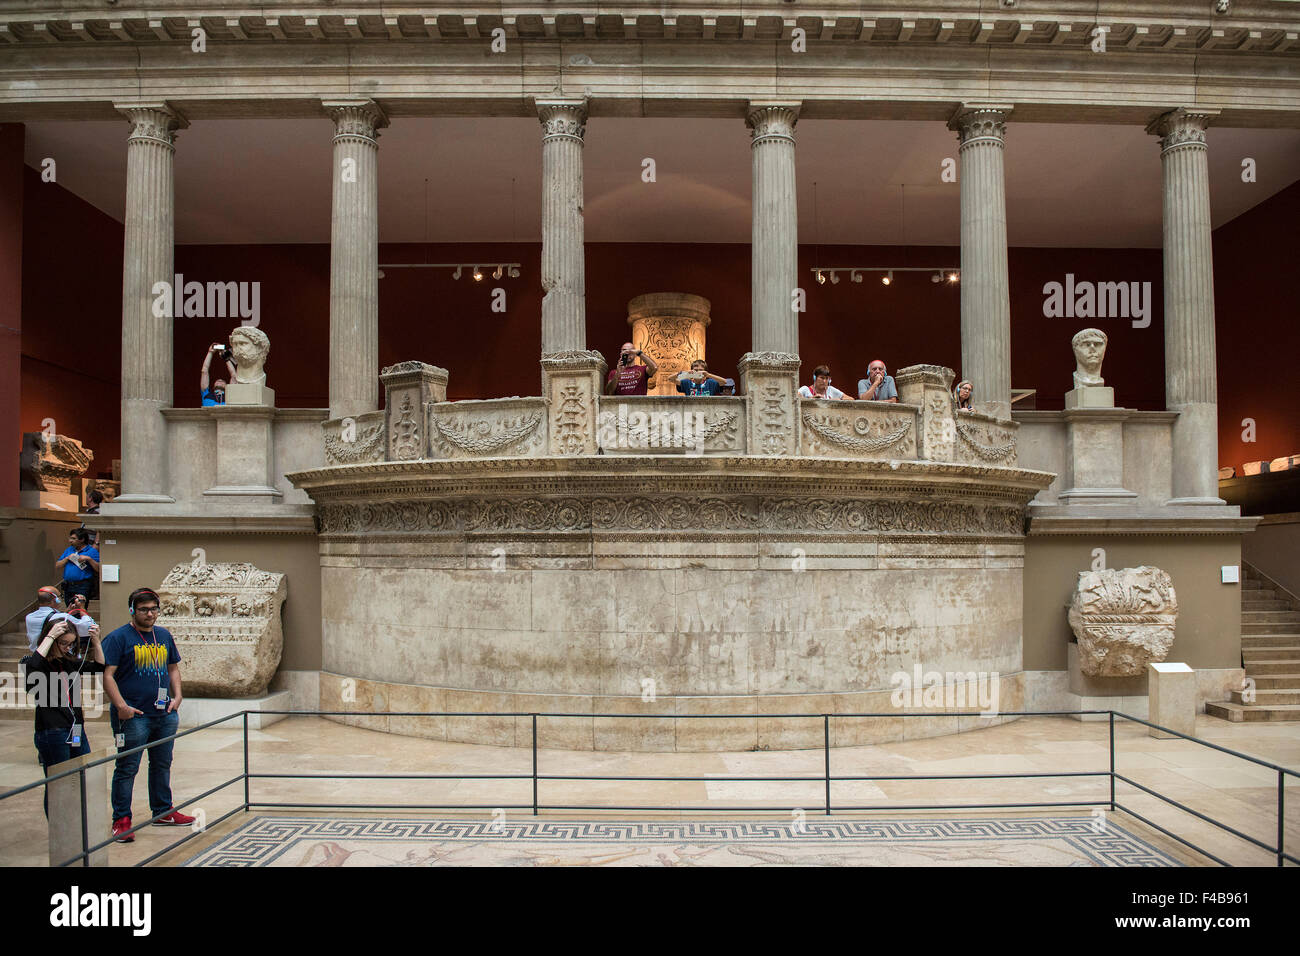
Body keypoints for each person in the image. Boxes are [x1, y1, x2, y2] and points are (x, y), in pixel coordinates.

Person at [101, 587, 194, 842]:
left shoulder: (163, 635)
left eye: (153, 609)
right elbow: (107, 675)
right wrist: (121, 706)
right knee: (128, 766)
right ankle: (121, 820)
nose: (150, 614)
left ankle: (163, 810)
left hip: (164, 713)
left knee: (162, 763)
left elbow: (172, 668)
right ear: (132, 610)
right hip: (134, 715)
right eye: (144, 609)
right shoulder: (118, 637)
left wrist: (178, 696)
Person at [25, 614, 104, 817]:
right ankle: (60, 829)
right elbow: (32, 672)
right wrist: (49, 638)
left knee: (80, 777)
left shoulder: (68, 662)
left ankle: (72, 824)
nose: (66, 647)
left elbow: (98, 668)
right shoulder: (37, 662)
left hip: (75, 727)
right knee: (57, 783)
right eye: (62, 643)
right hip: (53, 730)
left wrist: (95, 641)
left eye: (70, 644)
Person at [55, 529, 99, 604]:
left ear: (82, 539)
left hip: (82, 586)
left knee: (79, 609)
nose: (70, 541)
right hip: (68, 585)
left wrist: (89, 559)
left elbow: (99, 569)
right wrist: (67, 558)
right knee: (69, 608)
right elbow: (57, 565)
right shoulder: (69, 550)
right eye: (70, 538)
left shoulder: (91, 551)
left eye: (73, 538)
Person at [26, 587, 62, 652]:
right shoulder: (59, 616)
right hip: (53, 654)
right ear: (55, 600)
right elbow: (84, 626)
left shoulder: (29, 617)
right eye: (59, 596)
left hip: (37, 654)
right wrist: (82, 609)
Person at [200, 342, 237, 406]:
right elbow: (204, 371)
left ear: (227, 386)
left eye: (223, 381)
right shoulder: (206, 393)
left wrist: (226, 358)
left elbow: (234, 376)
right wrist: (210, 353)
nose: (220, 380)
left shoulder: (230, 395)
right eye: (218, 381)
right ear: (213, 385)